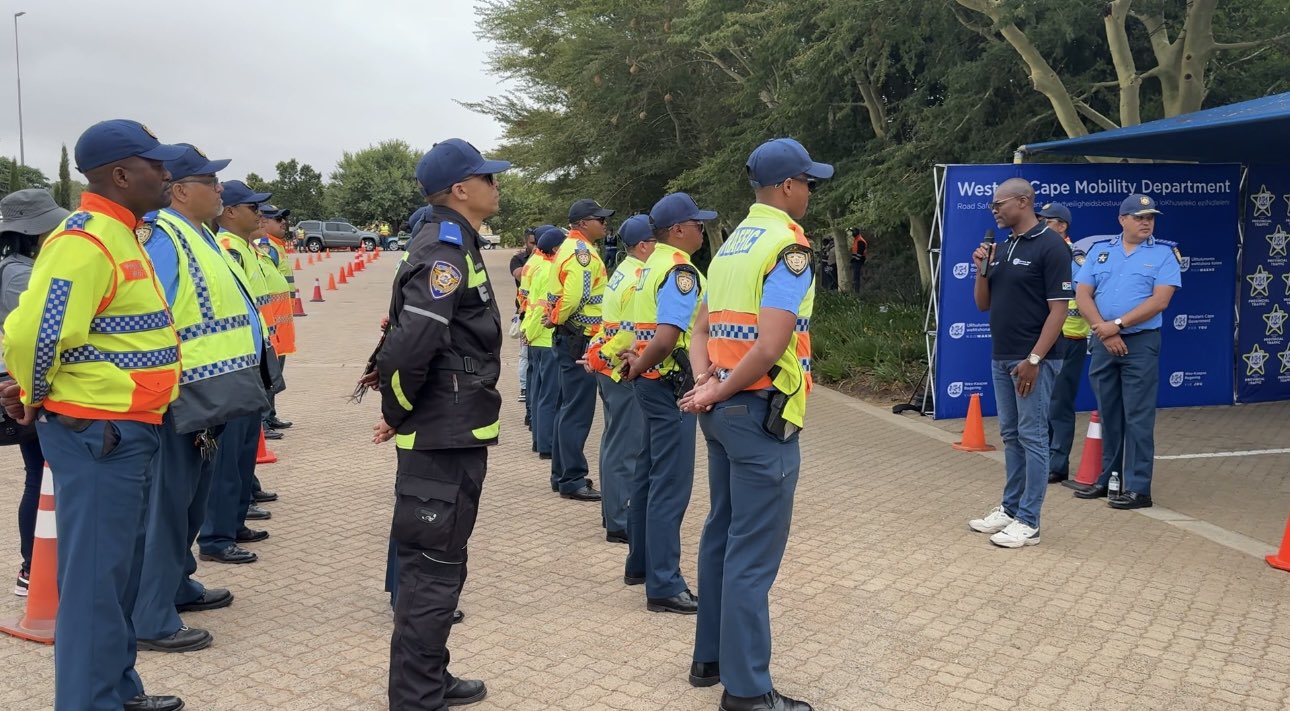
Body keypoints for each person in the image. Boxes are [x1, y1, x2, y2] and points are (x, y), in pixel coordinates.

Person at [1, 119, 187, 711]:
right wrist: (31, 393)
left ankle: (115, 690)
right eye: (155, 165)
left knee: (117, 578)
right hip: (98, 434)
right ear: (120, 174)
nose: (166, 174)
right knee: (92, 588)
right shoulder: (85, 242)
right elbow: (33, 331)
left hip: (126, 430)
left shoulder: (125, 233)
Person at [679, 137, 831, 711]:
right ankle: (747, 692)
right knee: (752, 554)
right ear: (788, 187)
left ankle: (709, 660)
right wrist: (717, 387)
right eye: (808, 184)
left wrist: (705, 385)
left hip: (722, 412)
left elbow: (700, 331)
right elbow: (770, 347)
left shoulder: (730, 247)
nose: (810, 194)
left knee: (721, 533)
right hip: (761, 412)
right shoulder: (786, 245)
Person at [373, 137, 507, 709]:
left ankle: (429, 675)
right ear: (461, 190)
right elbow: (410, 346)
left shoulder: (451, 242)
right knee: (432, 567)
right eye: (489, 178)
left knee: (440, 559)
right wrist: (397, 410)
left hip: (452, 425)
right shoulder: (447, 250)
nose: (497, 186)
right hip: (442, 430)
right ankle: (416, 695)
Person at [132, 145, 272, 653]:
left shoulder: (201, 236)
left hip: (211, 393)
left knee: (190, 503)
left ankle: (177, 583)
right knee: (167, 506)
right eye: (209, 181)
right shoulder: (163, 236)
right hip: (180, 395)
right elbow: (154, 314)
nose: (219, 190)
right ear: (180, 189)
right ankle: (151, 615)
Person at [619, 194, 714, 615]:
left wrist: (637, 366)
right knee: (669, 485)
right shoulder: (679, 271)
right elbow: (668, 336)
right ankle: (663, 583)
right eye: (697, 223)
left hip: (649, 382)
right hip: (668, 384)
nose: (702, 230)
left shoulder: (646, 268)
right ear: (678, 230)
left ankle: (639, 564)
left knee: (646, 474)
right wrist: (640, 365)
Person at [966, 178, 1071, 549]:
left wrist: (1034, 358)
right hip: (1003, 356)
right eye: (992, 206)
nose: (995, 210)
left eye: (1000, 204)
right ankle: (1010, 509)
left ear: (1024, 201)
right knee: (1011, 435)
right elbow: (983, 303)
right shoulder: (1005, 245)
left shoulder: (1051, 246)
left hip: (1034, 361)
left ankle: (1030, 521)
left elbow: (1060, 310)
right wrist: (982, 268)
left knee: (1033, 437)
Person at [1073, 195, 1181, 510]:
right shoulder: (1100, 250)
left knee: (1138, 415)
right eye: (1139, 217)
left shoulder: (1163, 254)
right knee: (1109, 413)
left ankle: (1138, 488)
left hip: (1140, 341)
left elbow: (1160, 301)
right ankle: (1110, 480)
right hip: (1105, 341)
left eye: (1150, 217)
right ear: (1123, 220)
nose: (1146, 222)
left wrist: (1116, 325)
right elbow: (1082, 294)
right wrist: (1103, 330)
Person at [198, 180, 280, 565]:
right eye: (252, 207)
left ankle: (233, 523)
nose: (259, 214)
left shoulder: (231, 248)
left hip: (248, 361)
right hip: (228, 366)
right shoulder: (225, 247)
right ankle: (217, 536)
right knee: (227, 457)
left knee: (243, 450)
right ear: (230, 212)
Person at [0, 189, 68, 597]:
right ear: (32, 232)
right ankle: (33, 566)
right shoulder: (21, 274)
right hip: (22, 382)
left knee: (37, 474)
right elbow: (35, 334)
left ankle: (36, 563)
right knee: (39, 476)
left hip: (19, 378)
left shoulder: (13, 267)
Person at [583, 215, 654, 544]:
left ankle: (612, 512)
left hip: (609, 367)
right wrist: (608, 356)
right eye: (656, 242)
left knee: (614, 442)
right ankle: (620, 520)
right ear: (643, 245)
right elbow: (628, 332)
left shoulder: (621, 271)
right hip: (621, 368)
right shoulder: (637, 277)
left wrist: (597, 354)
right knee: (626, 447)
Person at [544, 198, 613, 502]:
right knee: (577, 411)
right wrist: (557, 317)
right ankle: (572, 478)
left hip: (569, 336)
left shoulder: (569, 248)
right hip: (581, 337)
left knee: (567, 406)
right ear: (584, 223)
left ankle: (562, 474)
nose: (605, 223)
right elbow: (576, 295)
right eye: (600, 219)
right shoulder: (582, 253)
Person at [1036, 203, 1097, 484]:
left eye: (1046, 221)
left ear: (1062, 226)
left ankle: (1056, 463)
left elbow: (1084, 295)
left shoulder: (1076, 257)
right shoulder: (1041, 252)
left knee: (1059, 402)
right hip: (1041, 338)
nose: (1040, 225)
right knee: (1041, 401)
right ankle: (1041, 456)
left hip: (1069, 338)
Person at [523, 226, 565, 467]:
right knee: (550, 394)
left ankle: (540, 439)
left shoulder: (538, 266)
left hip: (536, 336)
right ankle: (547, 444)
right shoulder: (550, 270)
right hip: (546, 338)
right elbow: (543, 307)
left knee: (540, 392)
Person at [257, 203, 297, 433]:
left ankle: (270, 415)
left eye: (283, 219)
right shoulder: (266, 248)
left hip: (279, 325)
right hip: (271, 325)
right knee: (268, 374)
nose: (282, 223)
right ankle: (263, 419)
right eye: (277, 219)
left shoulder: (276, 247)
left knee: (274, 373)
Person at [511, 227, 537, 405]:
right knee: (525, 354)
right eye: (531, 243)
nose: (535, 247)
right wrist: (537, 260)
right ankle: (523, 386)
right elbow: (520, 275)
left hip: (542, 315)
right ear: (525, 242)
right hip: (525, 313)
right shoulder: (518, 259)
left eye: (538, 243)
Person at [848, 227, 867, 293]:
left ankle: (857, 291)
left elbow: (860, 253)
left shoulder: (860, 240)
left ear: (857, 232)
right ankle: (856, 290)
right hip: (856, 261)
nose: (852, 233)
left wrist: (856, 260)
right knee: (855, 277)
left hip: (859, 262)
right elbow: (855, 252)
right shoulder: (856, 240)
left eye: (853, 232)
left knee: (857, 277)